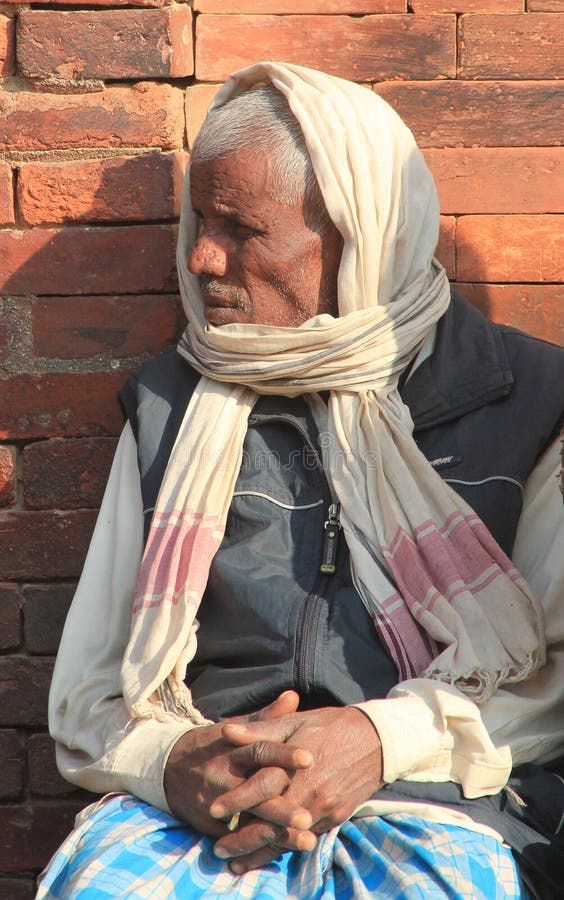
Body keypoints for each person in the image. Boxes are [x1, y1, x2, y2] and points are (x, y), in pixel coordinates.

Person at [37, 62, 564, 899]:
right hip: (209, 809)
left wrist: (378, 739)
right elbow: (93, 690)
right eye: (199, 222)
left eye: (242, 228)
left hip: (444, 796)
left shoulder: (532, 403)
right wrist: (175, 764)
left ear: (359, 231)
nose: (203, 258)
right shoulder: (171, 406)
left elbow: (552, 678)